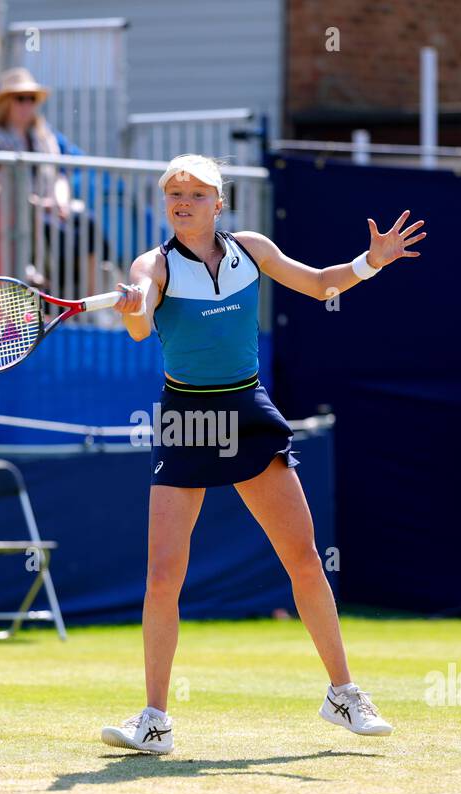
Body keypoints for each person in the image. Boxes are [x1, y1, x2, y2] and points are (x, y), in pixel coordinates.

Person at [102, 155, 427, 754]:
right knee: (163, 577)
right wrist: (133, 307)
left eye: (197, 192)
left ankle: (343, 694)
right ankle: (154, 720)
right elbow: (144, 325)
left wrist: (371, 263)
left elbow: (322, 283)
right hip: (188, 420)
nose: (184, 200)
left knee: (303, 559)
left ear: (218, 203)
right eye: (175, 192)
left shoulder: (251, 249)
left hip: (249, 413)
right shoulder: (152, 264)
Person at [0, 67, 111, 293]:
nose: (26, 105)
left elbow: (59, 175)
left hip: (51, 208)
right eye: (20, 99)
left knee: (86, 223)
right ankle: (36, 281)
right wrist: (37, 203)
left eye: (31, 99)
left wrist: (60, 202)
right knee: (43, 227)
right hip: (13, 213)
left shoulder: (43, 136)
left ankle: (89, 303)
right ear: (5, 103)